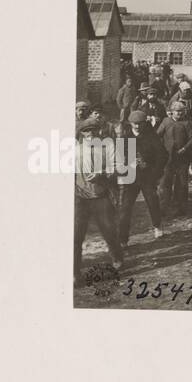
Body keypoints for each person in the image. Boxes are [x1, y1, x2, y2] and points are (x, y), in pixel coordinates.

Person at [73, 111, 122, 282]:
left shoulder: (107, 147)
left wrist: (101, 174)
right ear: (81, 134)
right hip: (80, 196)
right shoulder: (75, 150)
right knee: (76, 235)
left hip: (101, 195)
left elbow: (116, 168)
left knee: (108, 230)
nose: (90, 135)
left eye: (93, 131)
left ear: (99, 132)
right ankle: (75, 272)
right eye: (86, 132)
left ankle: (117, 257)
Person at [115, 110, 167, 245]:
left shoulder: (151, 137)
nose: (137, 126)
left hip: (147, 177)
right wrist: (125, 170)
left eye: (140, 124)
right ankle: (123, 238)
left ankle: (157, 226)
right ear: (130, 123)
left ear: (145, 123)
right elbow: (120, 159)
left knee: (152, 202)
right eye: (134, 124)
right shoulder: (125, 138)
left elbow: (162, 156)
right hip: (130, 178)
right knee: (125, 208)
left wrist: (155, 173)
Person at [156, 100, 192, 217]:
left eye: (181, 111)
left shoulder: (188, 123)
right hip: (168, 158)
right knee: (165, 182)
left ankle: (180, 207)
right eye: (177, 111)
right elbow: (157, 135)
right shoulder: (166, 121)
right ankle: (163, 207)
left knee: (182, 183)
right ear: (172, 112)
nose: (179, 114)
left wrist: (185, 149)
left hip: (182, 158)